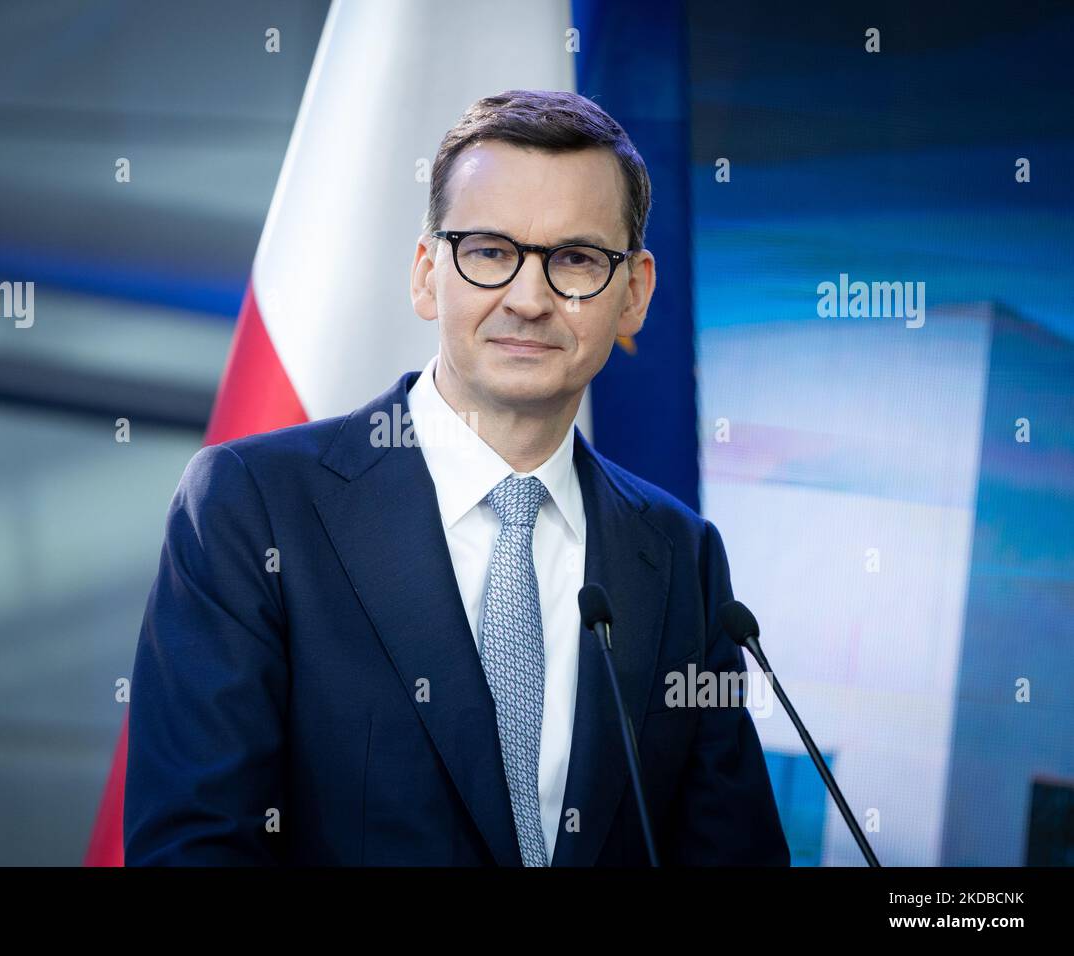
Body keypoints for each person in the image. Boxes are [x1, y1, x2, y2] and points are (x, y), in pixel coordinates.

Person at [123, 89, 790, 866]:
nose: (530, 298)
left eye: (575, 259)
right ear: (427, 274)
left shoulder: (681, 555)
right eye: (489, 251)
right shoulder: (253, 509)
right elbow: (195, 850)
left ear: (633, 293)